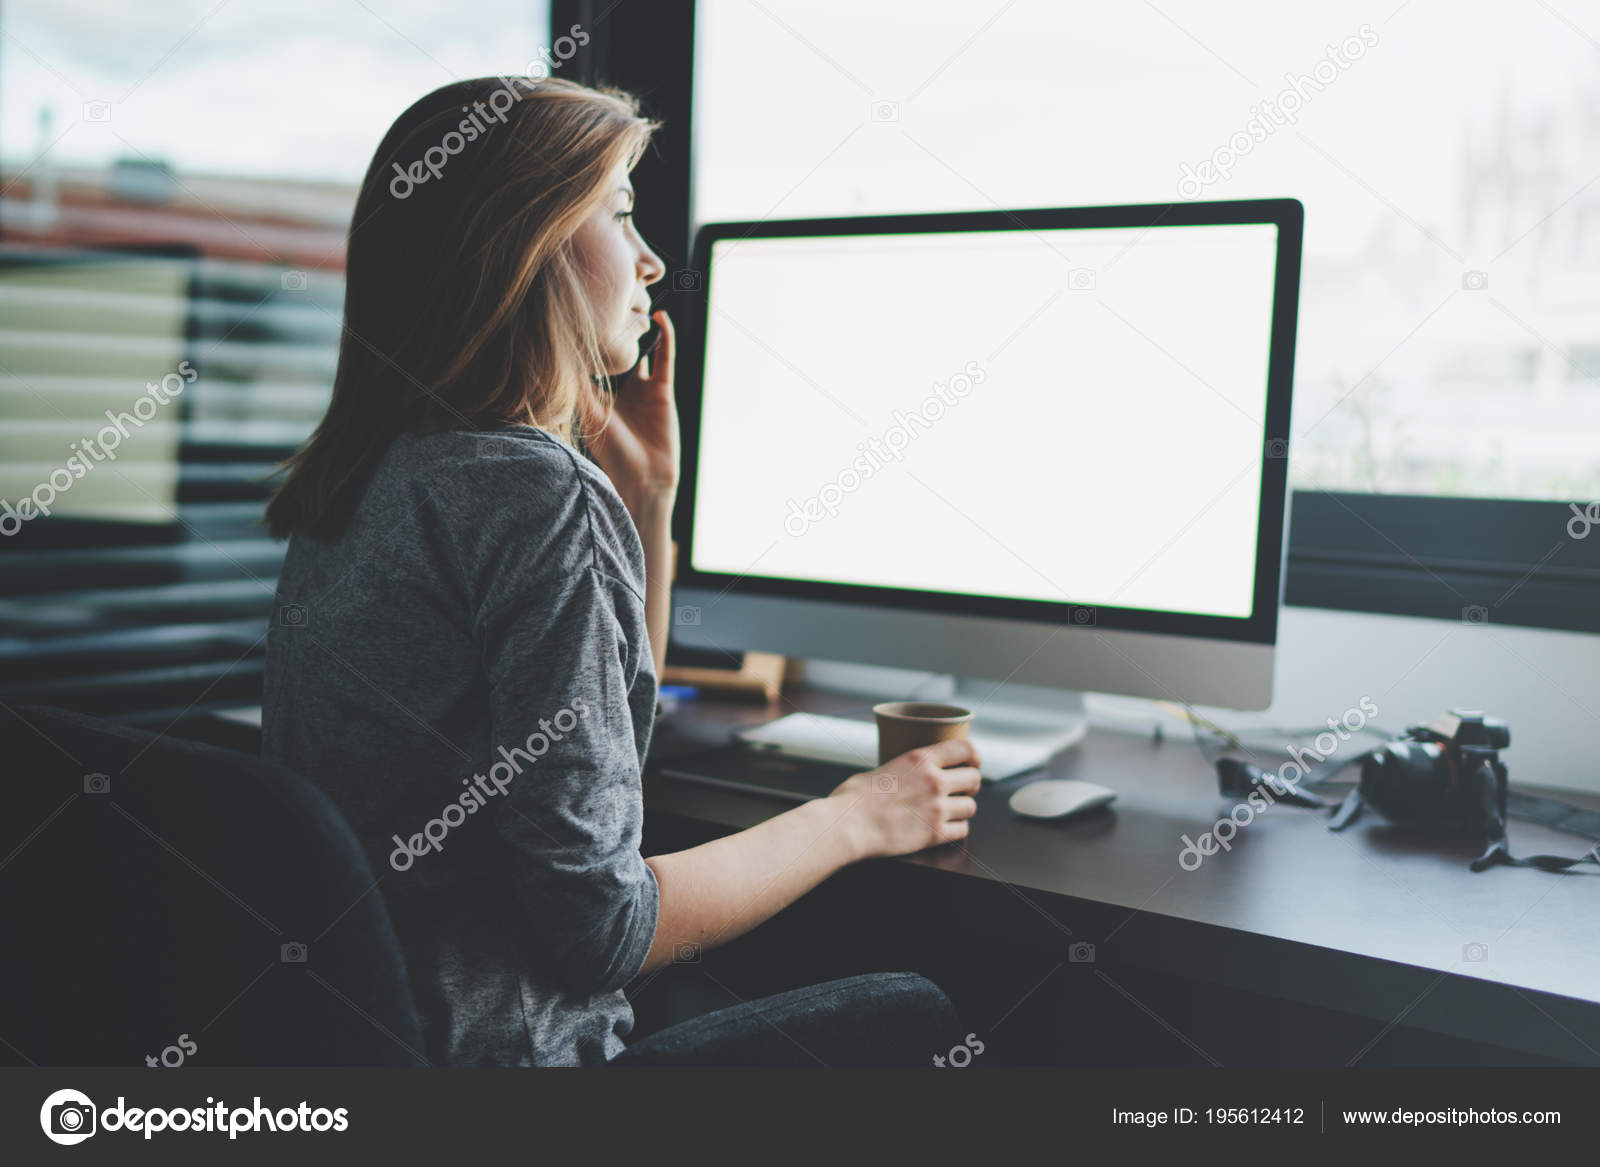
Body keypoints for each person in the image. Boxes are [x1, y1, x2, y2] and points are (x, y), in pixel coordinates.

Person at [261, 75, 980, 1067]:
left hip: (385, 1045)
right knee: (930, 1011)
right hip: (514, 1064)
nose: (647, 263)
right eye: (620, 212)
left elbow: (588, 800)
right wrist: (857, 817)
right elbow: (602, 930)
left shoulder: (371, 476)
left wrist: (643, 508)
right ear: (527, 241)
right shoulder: (534, 491)